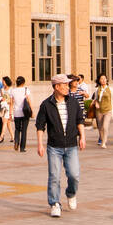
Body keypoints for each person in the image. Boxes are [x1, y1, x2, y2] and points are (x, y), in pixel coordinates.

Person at [35, 73, 85, 217]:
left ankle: (71, 193)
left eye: (67, 85)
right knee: (54, 176)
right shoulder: (46, 104)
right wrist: (40, 144)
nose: (67, 87)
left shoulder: (73, 102)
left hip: (71, 145)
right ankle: (55, 203)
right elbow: (40, 126)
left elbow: (79, 120)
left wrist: (82, 137)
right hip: (54, 147)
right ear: (57, 87)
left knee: (74, 175)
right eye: (64, 85)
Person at [7, 75, 32, 152]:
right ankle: (22, 148)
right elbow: (28, 101)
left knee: (17, 129)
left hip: (16, 113)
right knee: (24, 130)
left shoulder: (12, 91)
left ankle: (16, 142)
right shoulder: (26, 89)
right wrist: (32, 111)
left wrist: (10, 114)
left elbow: (11, 103)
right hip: (25, 113)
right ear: (23, 83)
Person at [93, 73, 113, 148]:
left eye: (104, 78)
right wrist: (96, 103)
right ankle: (102, 139)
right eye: (101, 79)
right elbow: (95, 99)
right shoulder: (97, 89)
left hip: (108, 110)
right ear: (99, 81)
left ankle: (104, 142)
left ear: (106, 80)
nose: (103, 80)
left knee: (105, 126)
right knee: (100, 128)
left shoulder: (110, 89)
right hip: (99, 111)